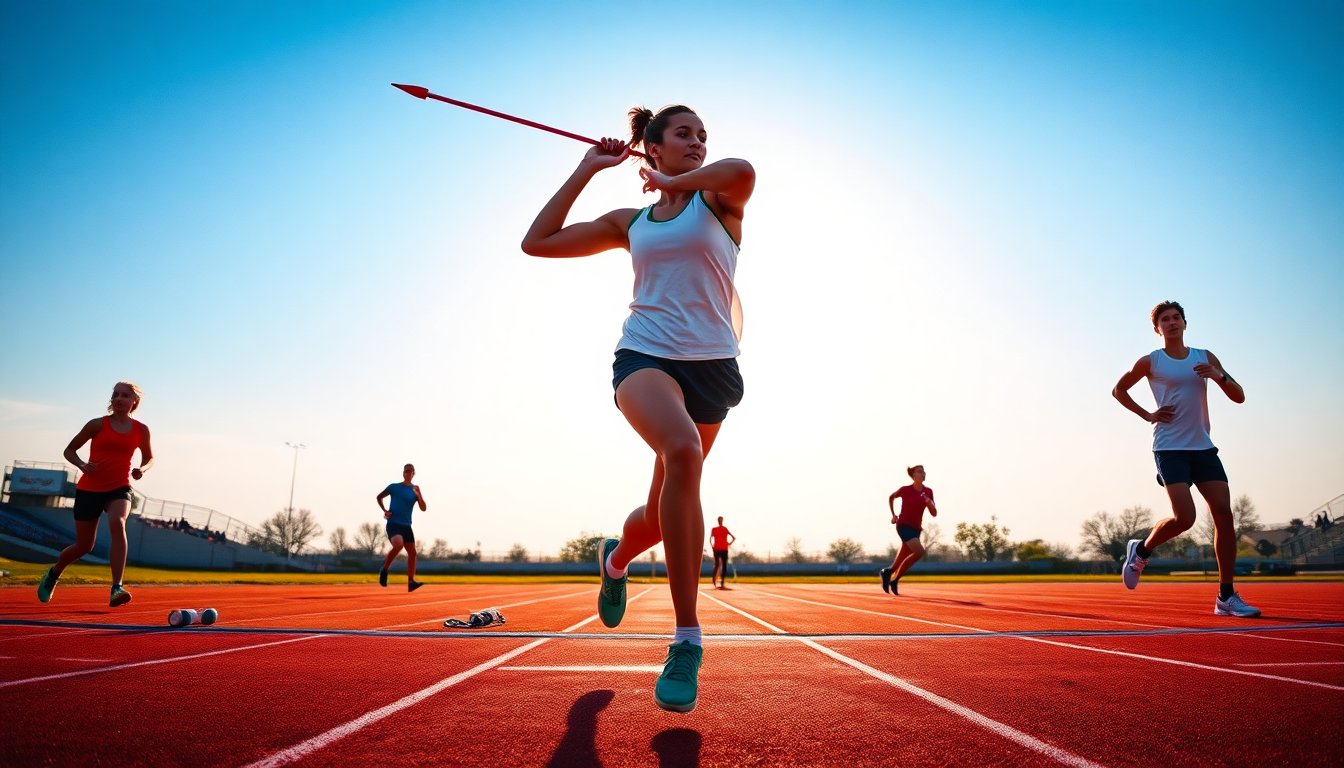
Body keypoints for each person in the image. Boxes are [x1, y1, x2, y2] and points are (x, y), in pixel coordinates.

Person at [521, 103, 754, 713]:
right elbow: (536, 243)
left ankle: (616, 559)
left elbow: (742, 166)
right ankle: (687, 639)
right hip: (645, 358)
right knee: (683, 451)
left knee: (657, 516)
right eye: (684, 134)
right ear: (652, 146)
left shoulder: (722, 201)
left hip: (713, 369)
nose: (699, 143)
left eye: (703, 135)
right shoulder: (633, 223)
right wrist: (586, 170)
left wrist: (675, 180)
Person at [1112, 300, 1259, 617]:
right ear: (1158, 329)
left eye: (1176, 317)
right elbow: (1119, 390)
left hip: (1203, 447)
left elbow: (1239, 395)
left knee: (1224, 516)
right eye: (1165, 319)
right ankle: (1141, 550)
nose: (1172, 322)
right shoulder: (1152, 362)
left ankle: (1226, 596)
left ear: (1184, 323)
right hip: (1169, 447)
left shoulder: (1204, 357)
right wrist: (1147, 414)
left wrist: (1219, 376)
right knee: (1185, 518)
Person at [38, 381, 154, 607]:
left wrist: (143, 469)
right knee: (84, 546)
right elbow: (69, 450)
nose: (119, 398)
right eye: (116, 394)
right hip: (89, 489)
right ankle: (54, 572)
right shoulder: (96, 425)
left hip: (119, 487)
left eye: (125, 395)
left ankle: (116, 587)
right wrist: (82, 464)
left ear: (134, 402)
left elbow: (150, 457)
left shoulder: (141, 430)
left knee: (117, 522)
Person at [881, 465, 936, 596]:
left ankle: (890, 575)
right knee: (919, 552)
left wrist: (929, 504)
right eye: (919, 471)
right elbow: (891, 497)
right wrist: (893, 515)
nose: (923, 473)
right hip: (903, 525)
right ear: (914, 475)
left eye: (924, 471)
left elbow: (934, 513)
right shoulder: (905, 490)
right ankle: (892, 577)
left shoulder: (928, 491)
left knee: (899, 560)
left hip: (916, 528)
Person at [376, 463, 427, 592]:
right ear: (403, 473)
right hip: (394, 523)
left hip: (406, 526)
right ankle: (384, 569)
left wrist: (419, 495)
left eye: (410, 472)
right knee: (398, 545)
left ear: (413, 473)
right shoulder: (394, 487)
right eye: (406, 472)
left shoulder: (415, 489)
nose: (408, 474)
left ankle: (411, 582)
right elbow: (379, 497)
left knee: (412, 552)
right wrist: (385, 510)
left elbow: (423, 508)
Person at [709, 516, 736, 589]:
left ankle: (722, 582)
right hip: (717, 549)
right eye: (719, 520)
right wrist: (712, 546)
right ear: (718, 521)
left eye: (721, 520)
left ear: (722, 521)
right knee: (717, 564)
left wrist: (729, 544)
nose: (720, 521)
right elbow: (710, 539)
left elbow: (733, 537)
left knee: (724, 566)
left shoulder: (725, 529)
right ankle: (714, 581)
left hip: (724, 549)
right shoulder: (714, 529)